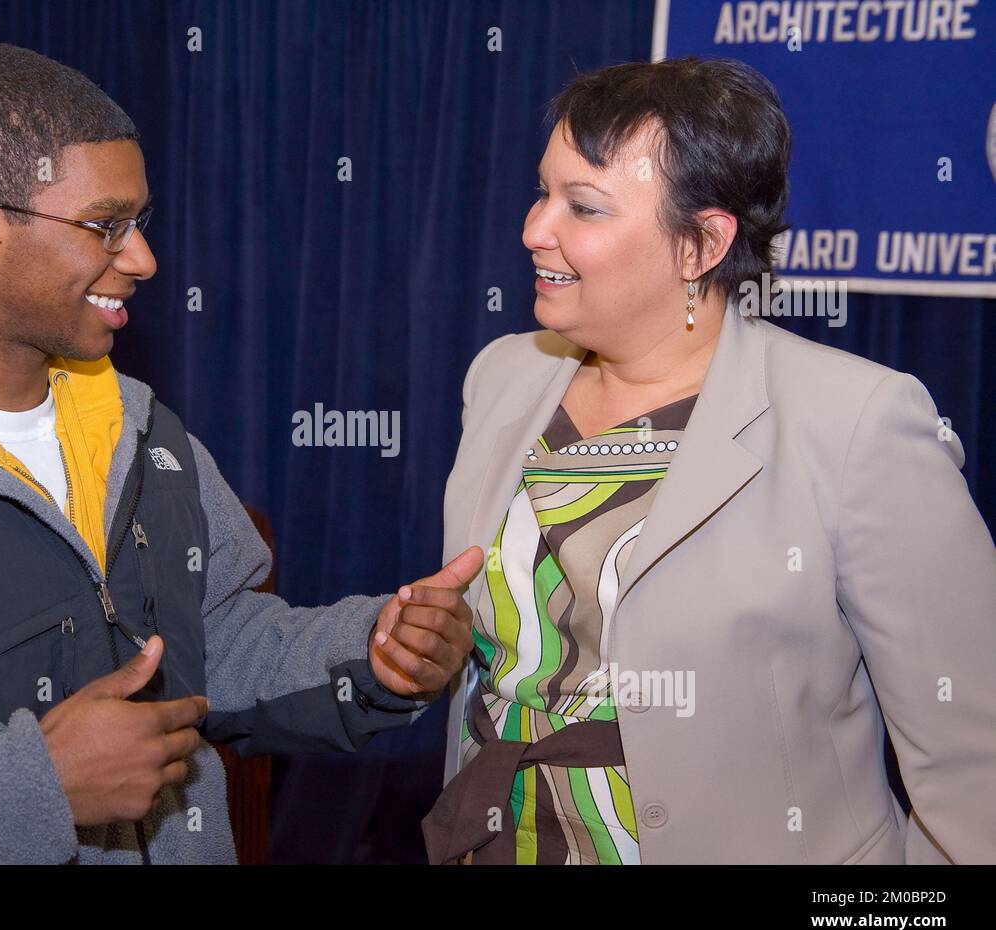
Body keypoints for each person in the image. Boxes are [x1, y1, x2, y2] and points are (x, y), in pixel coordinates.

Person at [0, 42, 482, 864]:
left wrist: (373, 654)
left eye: (139, 223)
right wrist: (37, 785)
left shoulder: (142, 433)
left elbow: (214, 641)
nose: (142, 259)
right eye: (105, 226)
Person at [423, 56, 996, 865]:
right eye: (543, 190)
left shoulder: (856, 423)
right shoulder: (504, 378)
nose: (534, 228)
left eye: (582, 207)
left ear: (700, 244)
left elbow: (976, 763)